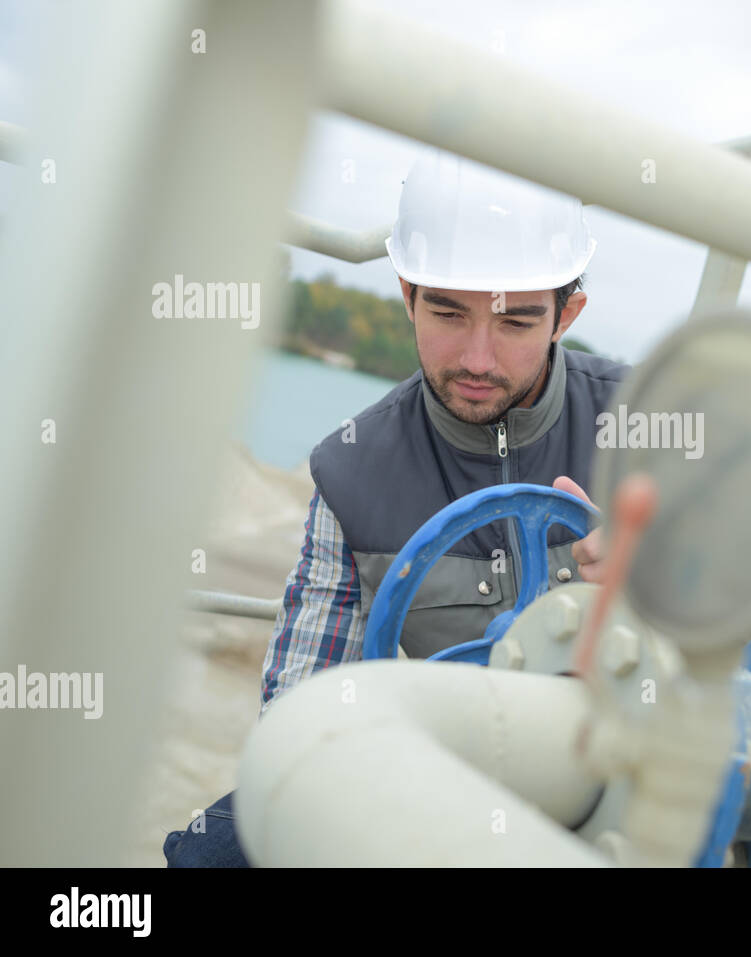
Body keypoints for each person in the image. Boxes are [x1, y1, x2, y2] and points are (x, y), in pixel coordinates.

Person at [164, 149, 629, 866]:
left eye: (515, 323)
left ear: (568, 314)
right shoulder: (352, 471)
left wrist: (662, 593)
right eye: (447, 311)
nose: (477, 357)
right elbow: (301, 716)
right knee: (212, 850)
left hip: (623, 773)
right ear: (407, 293)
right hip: (444, 779)